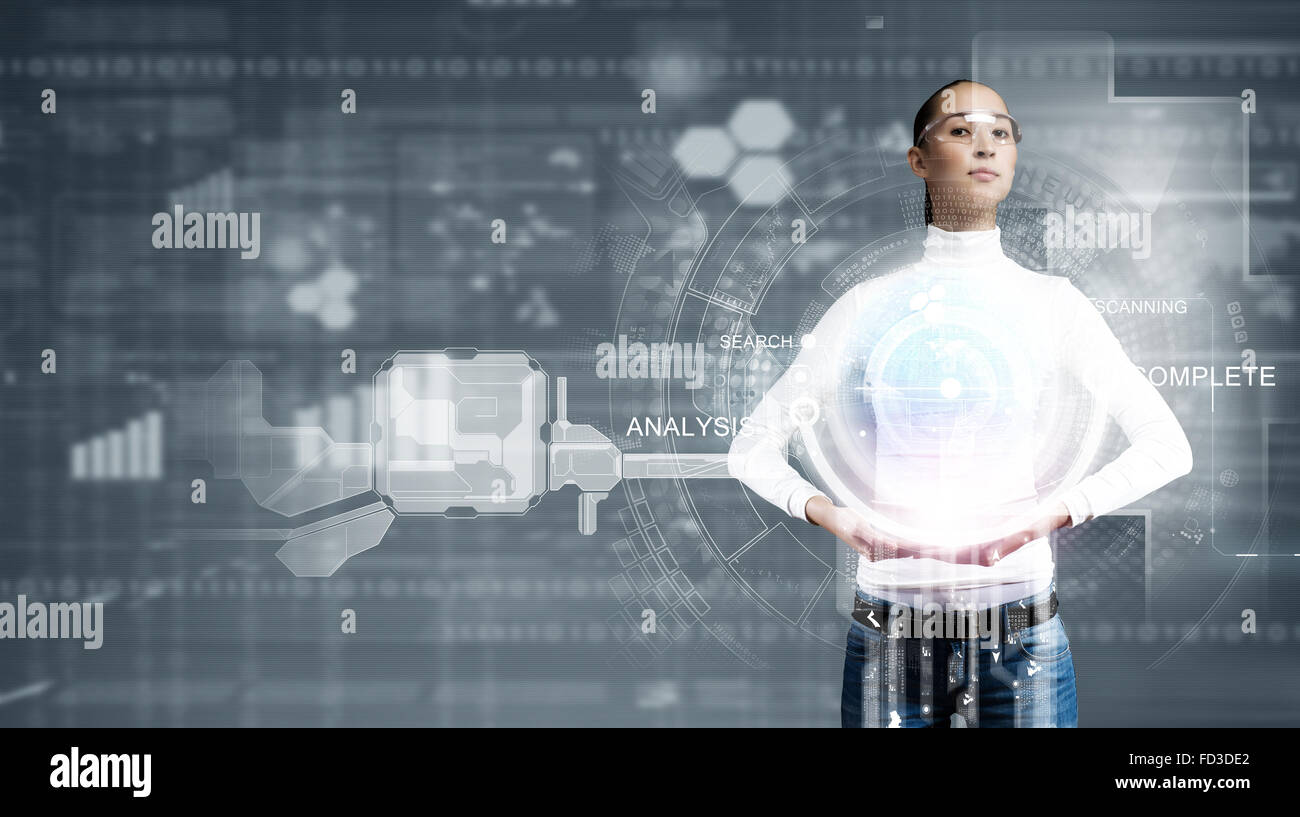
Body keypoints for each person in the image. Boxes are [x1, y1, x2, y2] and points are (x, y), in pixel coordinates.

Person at [727, 79, 1194, 727]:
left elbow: (1166, 445)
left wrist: (1048, 516)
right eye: (960, 130)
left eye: (1001, 132)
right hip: (890, 640)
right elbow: (751, 447)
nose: (985, 146)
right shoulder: (865, 307)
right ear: (918, 159)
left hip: (1020, 637)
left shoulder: (1053, 303)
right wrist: (838, 518)